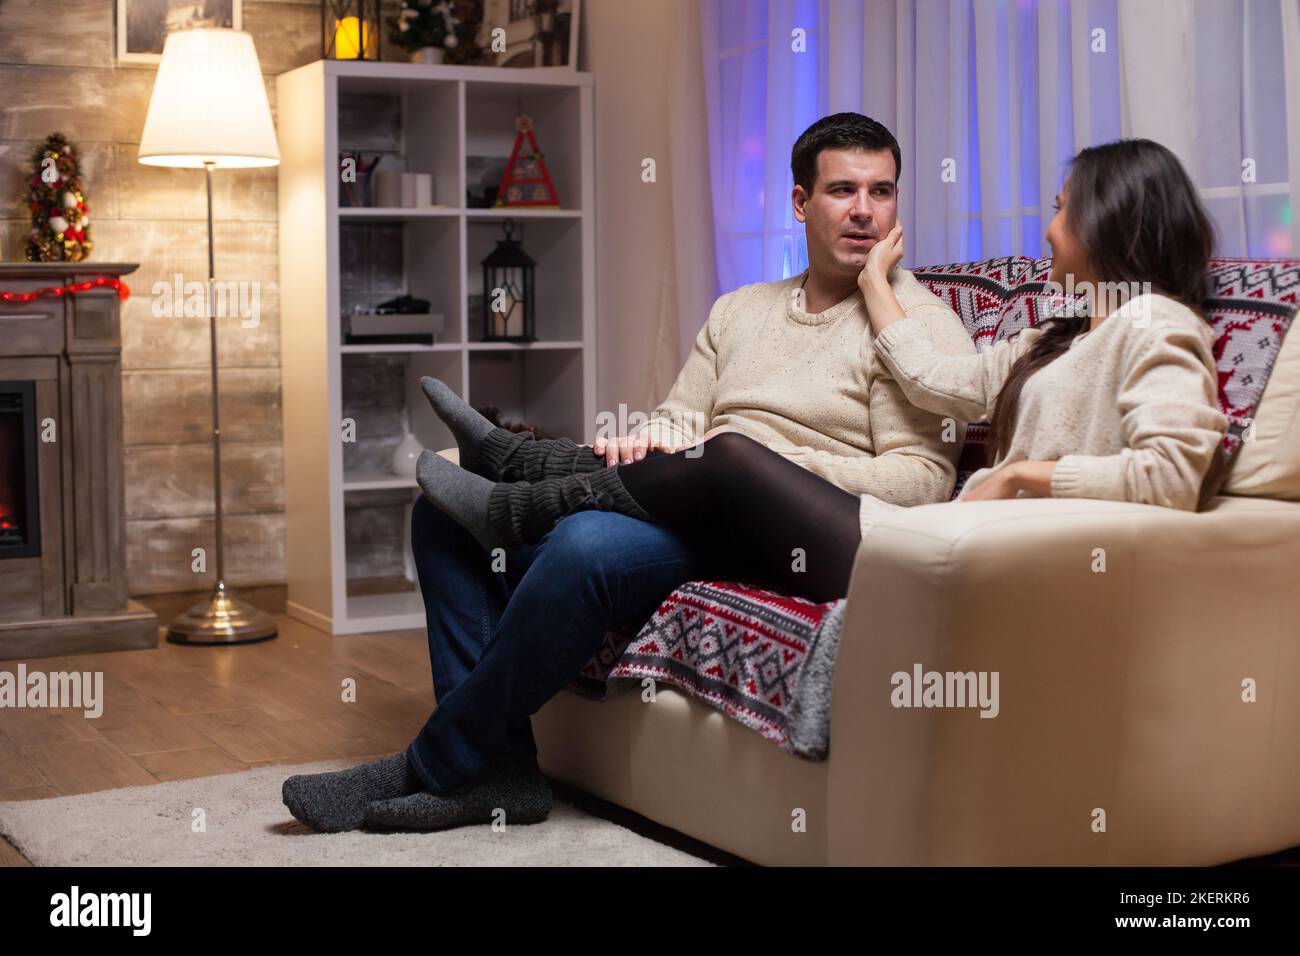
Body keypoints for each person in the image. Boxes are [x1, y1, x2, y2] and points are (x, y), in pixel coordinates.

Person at [280, 112, 975, 834]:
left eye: (882, 191)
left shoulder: (913, 325)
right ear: (801, 203)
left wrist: (764, 463)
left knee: (585, 546)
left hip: (783, 532)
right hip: (689, 494)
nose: (864, 210)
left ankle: (436, 761)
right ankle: (501, 771)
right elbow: (680, 418)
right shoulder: (742, 310)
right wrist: (648, 443)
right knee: (442, 516)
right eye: (842, 190)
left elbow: (920, 480)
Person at [414, 138, 1229, 609]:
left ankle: (523, 479)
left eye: (1060, 207)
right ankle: (520, 476)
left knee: (727, 453)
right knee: (717, 450)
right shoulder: (1048, 336)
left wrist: (1020, 481)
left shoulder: (1155, 324)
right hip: (952, 538)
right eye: (843, 191)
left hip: (959, 546)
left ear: (1108, 220)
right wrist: (879, 289)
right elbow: (957, 389)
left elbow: (1173, 475)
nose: (1047, 230)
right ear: (801, 203)